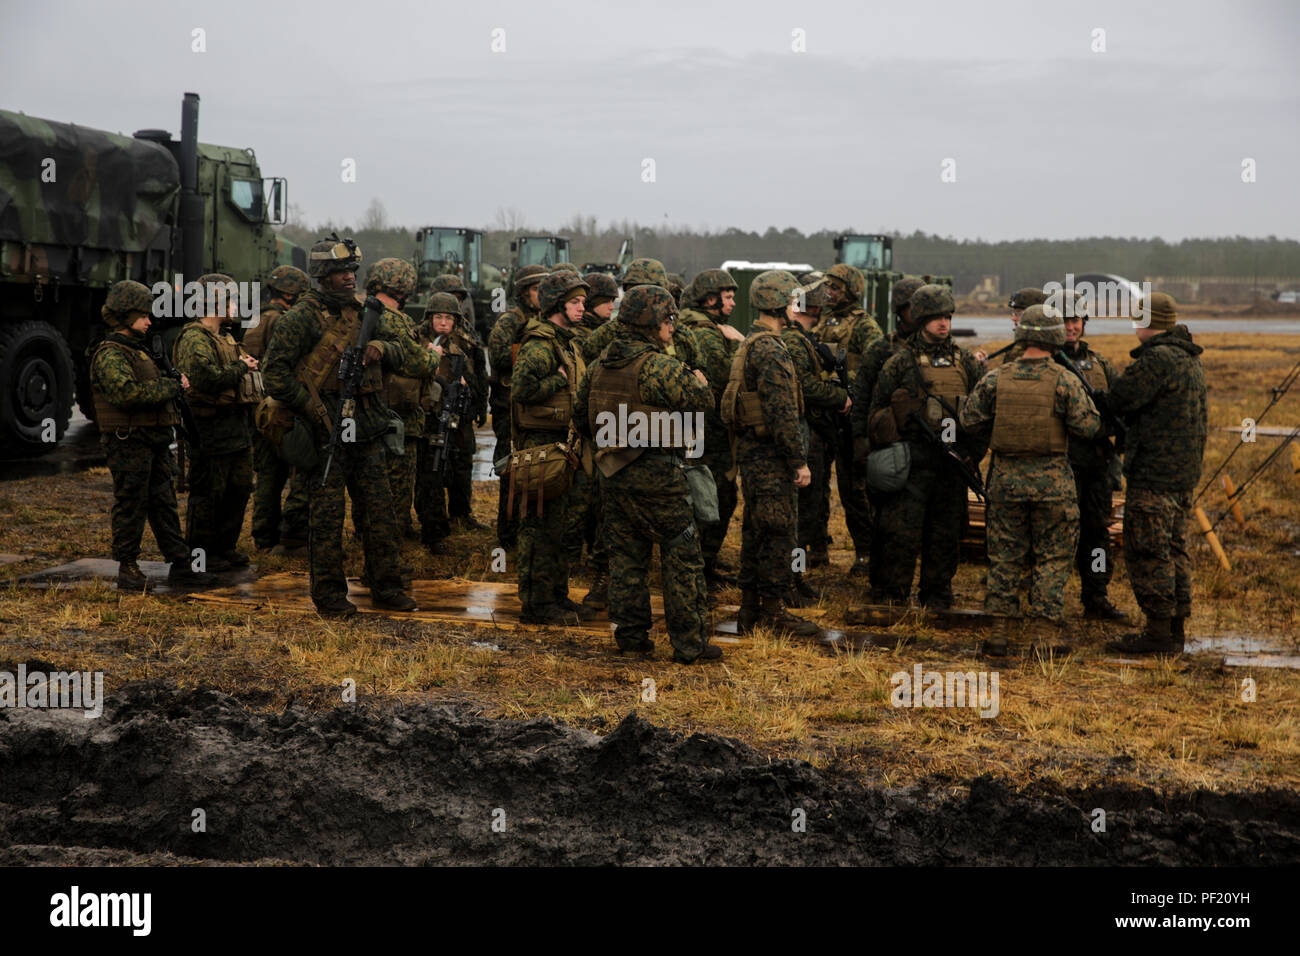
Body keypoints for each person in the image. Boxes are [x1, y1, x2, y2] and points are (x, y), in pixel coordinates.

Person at [262, 235, 417, 617]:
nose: (349, 278)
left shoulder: (368, 313)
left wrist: (382, 350)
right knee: (327, 519)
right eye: (340, 272)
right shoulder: (300, 318)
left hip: (366, 427)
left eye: (351, 271)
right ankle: (330, 596)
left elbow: (409, 353)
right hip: (327, 432)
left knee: (380, 514)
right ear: (322, 275)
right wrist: (311, 408)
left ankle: (386, 586)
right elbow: (274, 375)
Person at [575, 284, 718, 662]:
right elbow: (703, 403)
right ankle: (689, 644)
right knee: (682, 553)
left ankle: (632, 638)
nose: (672, 328)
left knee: (626, 559)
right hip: (660, 476)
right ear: (652, 324)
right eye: (668, 321)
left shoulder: (599, 366)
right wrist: (700, 382)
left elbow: (581, 418)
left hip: (613, 475)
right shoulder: (659, 367)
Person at [959, 305, 1101, 655]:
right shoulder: (1065, 380)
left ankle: (998, 634)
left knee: (1005, 555)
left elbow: (968, 420)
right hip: (1052, 482)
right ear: (1054, 336)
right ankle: (1044, 636)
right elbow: (1088, 427)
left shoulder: (996, 378)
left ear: (1022, 334)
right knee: (1052, 557)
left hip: (1006, 480)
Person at [868, 284, 987, 608]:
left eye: (947, 316)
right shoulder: (900, 362)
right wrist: (898, 424)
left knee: (946, 534)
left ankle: (937, 594)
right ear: (921, 319)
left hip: (952, 464)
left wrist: (971, 454)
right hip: (913, 462)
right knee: (901, 534)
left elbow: (982, 411)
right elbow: (876, 410)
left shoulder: (966, 362)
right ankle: (893, 595)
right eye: (936, 317)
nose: (943, 323)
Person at [90, 280, 210, 590]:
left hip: (153, 439)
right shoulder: (111, 353)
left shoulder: (139, 351)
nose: (149, 321)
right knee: (132, 502)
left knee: (163, 501)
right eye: (143, 315)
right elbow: (126, 394)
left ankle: (180, 561)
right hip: (128, 441)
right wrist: (171, 386)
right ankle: (127, 566)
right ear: (124, 315)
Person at [1106, 292, 1208, 655]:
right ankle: (1174, 629)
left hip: (1154, 475)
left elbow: (1119, 398)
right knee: (1174, 549)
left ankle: (1158, 634)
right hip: (1181, 477)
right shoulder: (1187, 357)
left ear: (1144, 322)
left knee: (1149, 550)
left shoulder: (1157, 360)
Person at [723, 270, 819, 637]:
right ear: (780, 304)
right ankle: (774, 611)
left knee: (756, 529)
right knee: (778, 531)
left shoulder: (751, 341)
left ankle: (751, 608)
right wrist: (798, 460)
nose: (796, 307)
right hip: (771, 456)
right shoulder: (771, 349)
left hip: (754, 452)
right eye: (792, 300)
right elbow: (781, 411)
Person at [511, 271, 595, 625]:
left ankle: (557, 597)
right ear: (556, 304)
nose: (581, 308)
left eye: (583, 302)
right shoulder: (539, 344)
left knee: (560, 528)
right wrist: (557, 379)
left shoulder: (566, 342)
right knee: (538, 527)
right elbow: (521, 390)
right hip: (541, 447)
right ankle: (536, 603)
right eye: (575, 302)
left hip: (565, 446)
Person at [172, 272, 261, 571]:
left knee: (238, 489)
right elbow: (204, 378)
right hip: (209, 428)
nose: (236, 305)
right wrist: (240, 367)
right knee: (208, 493)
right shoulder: (194, 338)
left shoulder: (225, 337)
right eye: (231, 300)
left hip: (235, 427)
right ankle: (200, 555)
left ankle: (224, 548)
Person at [359, 258, 441, 544]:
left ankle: (382, 534)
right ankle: (388, 546)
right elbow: (416, 363)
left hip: (375, 414)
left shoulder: (367, 312)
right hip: (396, 418)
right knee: (396, 485)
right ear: (403, 287)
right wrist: (433, 356)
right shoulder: (392, 318)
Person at [1058, 294, 1128, 620]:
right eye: (1064, 320)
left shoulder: (1100, 364)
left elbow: (1120, 404)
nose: (1070, 326)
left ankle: (1096, 594)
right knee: (1056, 534)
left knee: (1097, 535)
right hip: (1060, 465)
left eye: (1076, 320)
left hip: (1097, 465)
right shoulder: (1045, 362)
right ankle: (1048, 599)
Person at [676, 268, 746, 589]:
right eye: (728, 297)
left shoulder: (693, 325)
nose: (733, 303)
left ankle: (702, 567)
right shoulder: (707, 333)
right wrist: (737, 347)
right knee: (715, 498)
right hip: (706, 433)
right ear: (710, 299)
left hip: (694, 431)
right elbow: (722, 385)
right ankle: (700, 569)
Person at [782, 276, 849, 605]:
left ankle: (797, 575)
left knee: (806, 512)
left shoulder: (802, 338)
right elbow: (806, 387)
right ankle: (792, 578)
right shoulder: (795, 341)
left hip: (809, 431)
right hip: (802, 431)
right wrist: (838, 397)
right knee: (799, 513)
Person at [812, 263, 881, 576]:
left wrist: (847, 384)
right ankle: (815, 548)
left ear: (851, 290)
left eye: (836, 287)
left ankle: (866, 553)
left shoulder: (865, 325)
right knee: (812, 483)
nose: (830, 292)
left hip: (847, 415)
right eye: (828, 286)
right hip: (820, 412)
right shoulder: (822, 318)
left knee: (853, 490)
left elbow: (875, 366)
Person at [245, 265, 311, 554]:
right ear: (289, 293)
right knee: (298, 468)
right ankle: (290, 535)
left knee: (268, 475)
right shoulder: (282, 322)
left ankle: (263, 536)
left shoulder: (255, 318)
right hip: (280, 406)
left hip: (257, 405)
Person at [415, 292, 488, 552]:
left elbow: (480, 372)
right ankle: (432, 528)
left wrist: (477, 401)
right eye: (438, 317)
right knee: (432, 471)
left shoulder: (465, 341)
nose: (443, 322)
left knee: (461, 462)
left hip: (459, 413)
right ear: (429, 318)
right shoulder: (418, 340)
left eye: (448, 318)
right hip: (429, 415)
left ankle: (459, 513)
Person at [487, 264, 549, 550]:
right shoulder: (510, 320)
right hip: (508, 406)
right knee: (510, 469)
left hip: (532, 406)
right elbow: (498, 356)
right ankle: (508, 535)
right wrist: (531, 357)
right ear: (524, 293)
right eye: (537, 290)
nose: (542, 296)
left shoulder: (546, 319)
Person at [563, 271, 619, 584]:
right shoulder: (580, 335)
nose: (612, 306)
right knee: (579, 495)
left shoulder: (601, 331)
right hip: (582, 427)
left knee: (595, 496)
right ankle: (570, 558)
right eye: (606, 301)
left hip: (601, 423)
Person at [974, 286, 1046, 368]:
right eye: (1014, 313)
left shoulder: (1050, 353)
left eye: (1019, 314)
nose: (1013, 318)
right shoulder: (1015, 351)